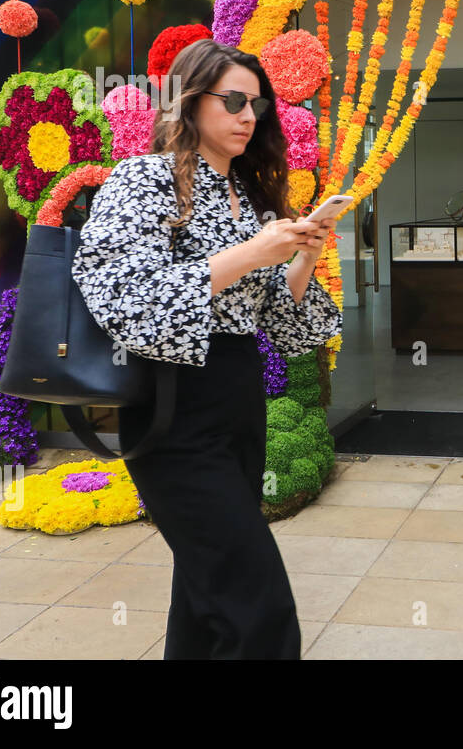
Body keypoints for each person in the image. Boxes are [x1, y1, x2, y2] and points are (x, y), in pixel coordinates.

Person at [71, 38, 342, 660]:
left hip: (237, 402)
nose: (251, 116)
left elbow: (281, 320)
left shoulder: (245, 198)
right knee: (259, 609)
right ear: (191, 102)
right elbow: (123, 299)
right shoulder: (144, 179)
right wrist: (251, 253)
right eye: (235, 100)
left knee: (203, 594)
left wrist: (302, 253)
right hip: (172, 408)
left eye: (259, 104)